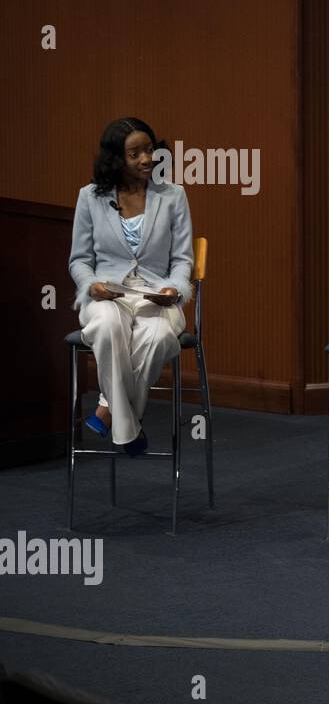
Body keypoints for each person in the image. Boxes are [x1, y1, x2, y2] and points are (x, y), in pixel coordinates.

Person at [69, 117, 194, 456]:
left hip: (156, 294)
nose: (145, 159)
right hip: (108, 292)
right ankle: (129, 430)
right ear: (115, 159)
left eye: (149, 149)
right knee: (107, 325)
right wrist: (90, 284)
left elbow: (183, 259)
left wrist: (175, 288)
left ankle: (110, 408)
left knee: (159, 336)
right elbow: (79, 259)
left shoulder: (173, 196)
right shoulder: (90, 197)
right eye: (134, 153)